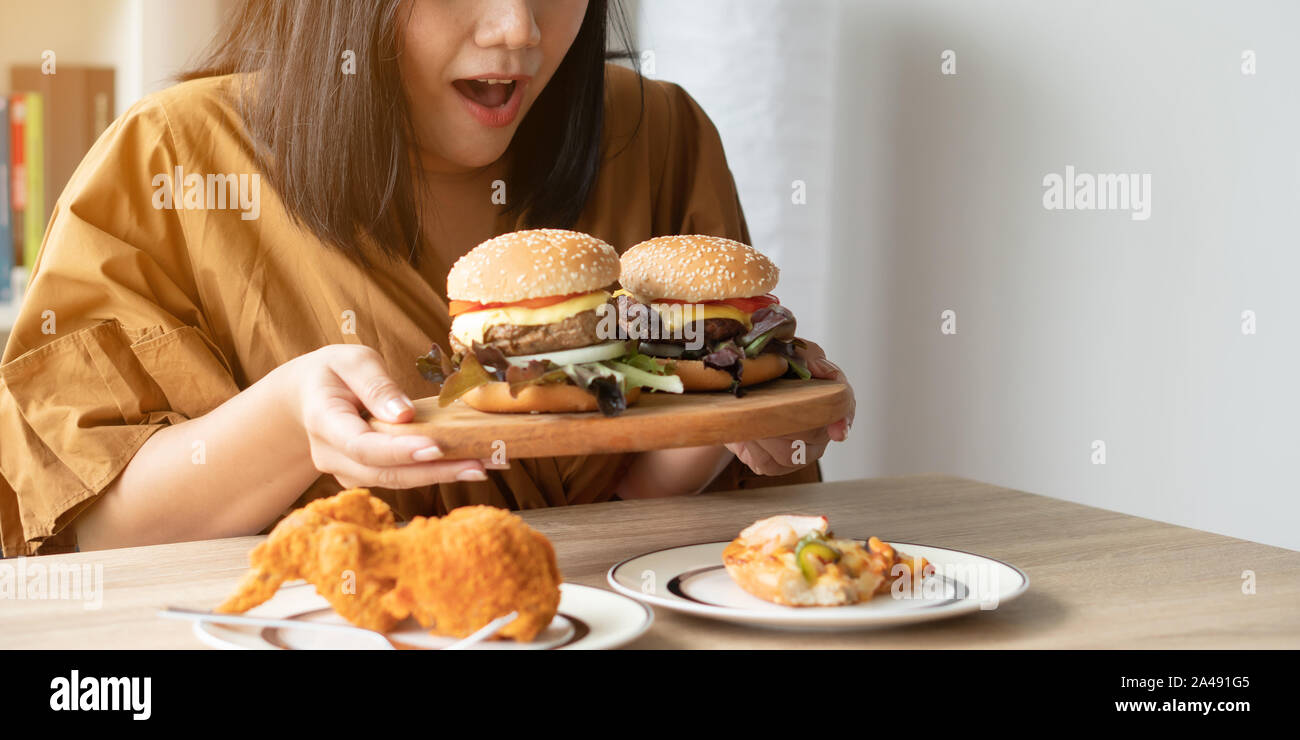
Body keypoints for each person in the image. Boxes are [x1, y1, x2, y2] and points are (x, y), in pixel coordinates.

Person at [0, 0, 854, 556]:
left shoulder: (660, 132)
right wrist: (295, 422)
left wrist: (712, 416)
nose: (516, 29)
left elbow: (668, 526)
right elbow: (90, 530)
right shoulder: (174, 156)